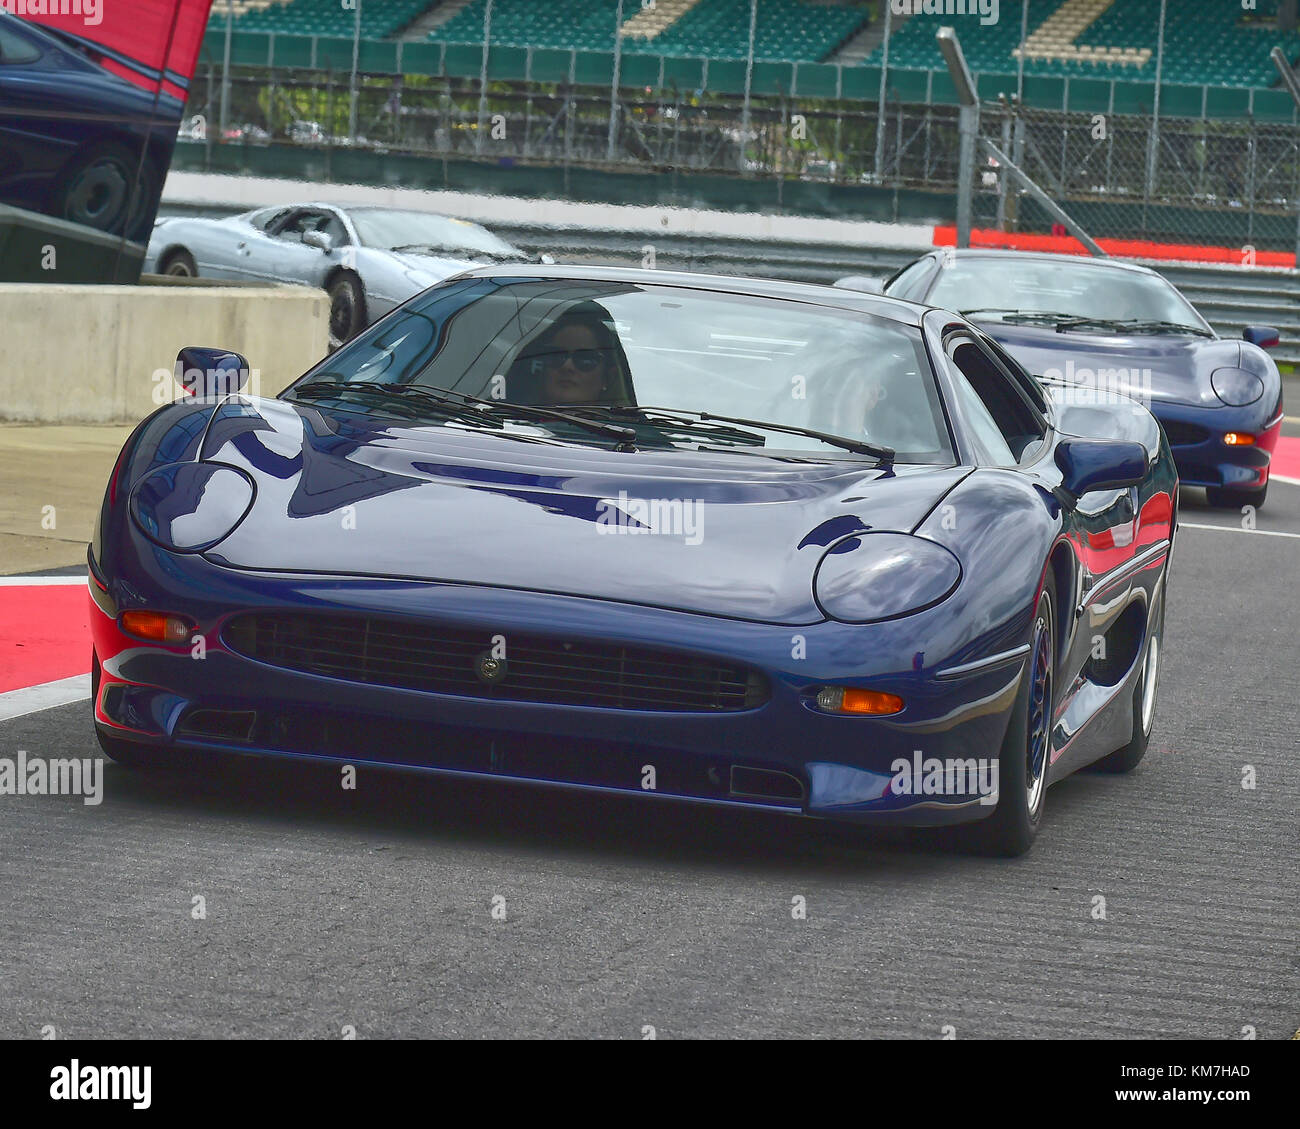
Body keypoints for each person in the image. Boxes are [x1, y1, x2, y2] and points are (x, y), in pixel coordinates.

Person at [525, 313, 624, 405]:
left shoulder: (626, 423)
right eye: (557, 356)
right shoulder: (514, 421)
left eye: (585, 359)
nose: (567, 366)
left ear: (608, 378)